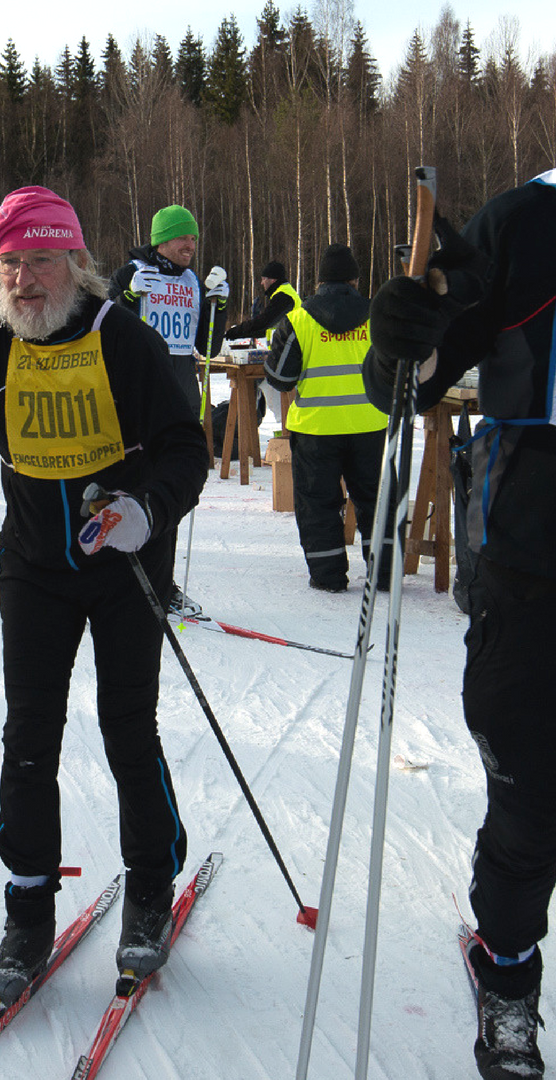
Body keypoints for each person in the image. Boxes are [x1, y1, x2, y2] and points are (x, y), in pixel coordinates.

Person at [0, 185, 209, 1005]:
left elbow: (185, 448)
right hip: (33, 566)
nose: (24, 279)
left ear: (77, 264)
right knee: (29, 739)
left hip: (123, 562)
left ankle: (151, 886)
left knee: (129, 730)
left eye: (40, 260)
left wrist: (148, 509)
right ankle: (28, 912)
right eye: (9, 263)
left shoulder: (120, 337)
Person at [364, 169, 556, 1080]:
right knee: (532, 796)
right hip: (534, 556)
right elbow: (417, 373)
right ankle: (508, 975)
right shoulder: (527, 217)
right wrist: (403, 343)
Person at [108, 203, 227, 617]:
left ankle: (163, 582)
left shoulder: (194, 280)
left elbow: (208, 347)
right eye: (183, 237)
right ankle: (121, 575)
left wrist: (217, 307)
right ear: (162, 240)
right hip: (136, 398)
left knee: (172, 491)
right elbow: (107, 333)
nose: (191, 245)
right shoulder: (132, 274)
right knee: (132, 485)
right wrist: (127, 296)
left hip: (180, 398)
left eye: (194, 238)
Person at [264, 243, 390, 593]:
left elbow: (280, 379)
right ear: (355, 279)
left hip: (316, 428)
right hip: (370, 423)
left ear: (319, 281)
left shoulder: (298, 320)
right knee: (375, 499)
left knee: (317, 503)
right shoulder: (378, 315)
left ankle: (328, 574)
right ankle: (384, 573)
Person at [224, 260, 301, 347]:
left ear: (273, 280)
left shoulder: (283, 296)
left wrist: (236, 332)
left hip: (291, 348)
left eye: (263, 279)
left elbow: (263, 323)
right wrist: (238, 333)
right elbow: (264, 329)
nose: (262, 283)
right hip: (287, 348)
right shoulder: (284, 293)